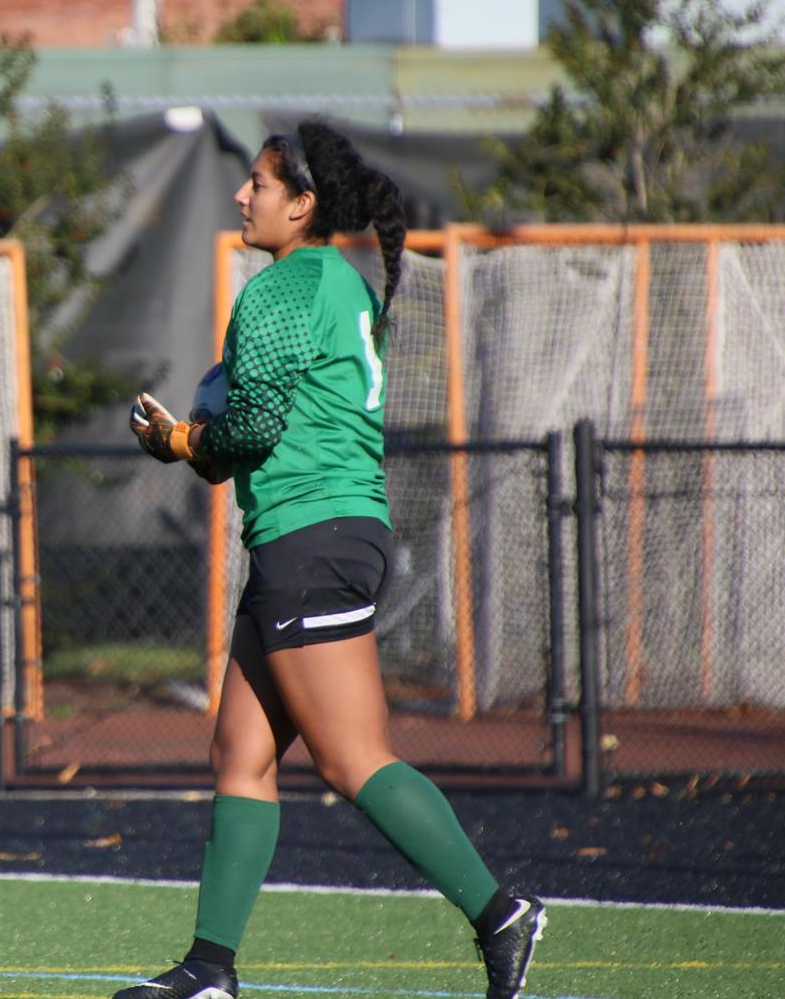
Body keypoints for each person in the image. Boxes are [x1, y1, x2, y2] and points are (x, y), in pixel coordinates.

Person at [121, 119, 545, 999]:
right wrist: (195, 439)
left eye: (260, 187)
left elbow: (251, 429)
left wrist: (182, 438)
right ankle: (210, 970)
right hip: (323, 531)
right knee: (240, 750)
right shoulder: (341, 283)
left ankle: (500, 913)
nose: (243, 197)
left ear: (304, 205)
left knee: (352, 757)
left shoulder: (281, 290)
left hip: (311, 536)